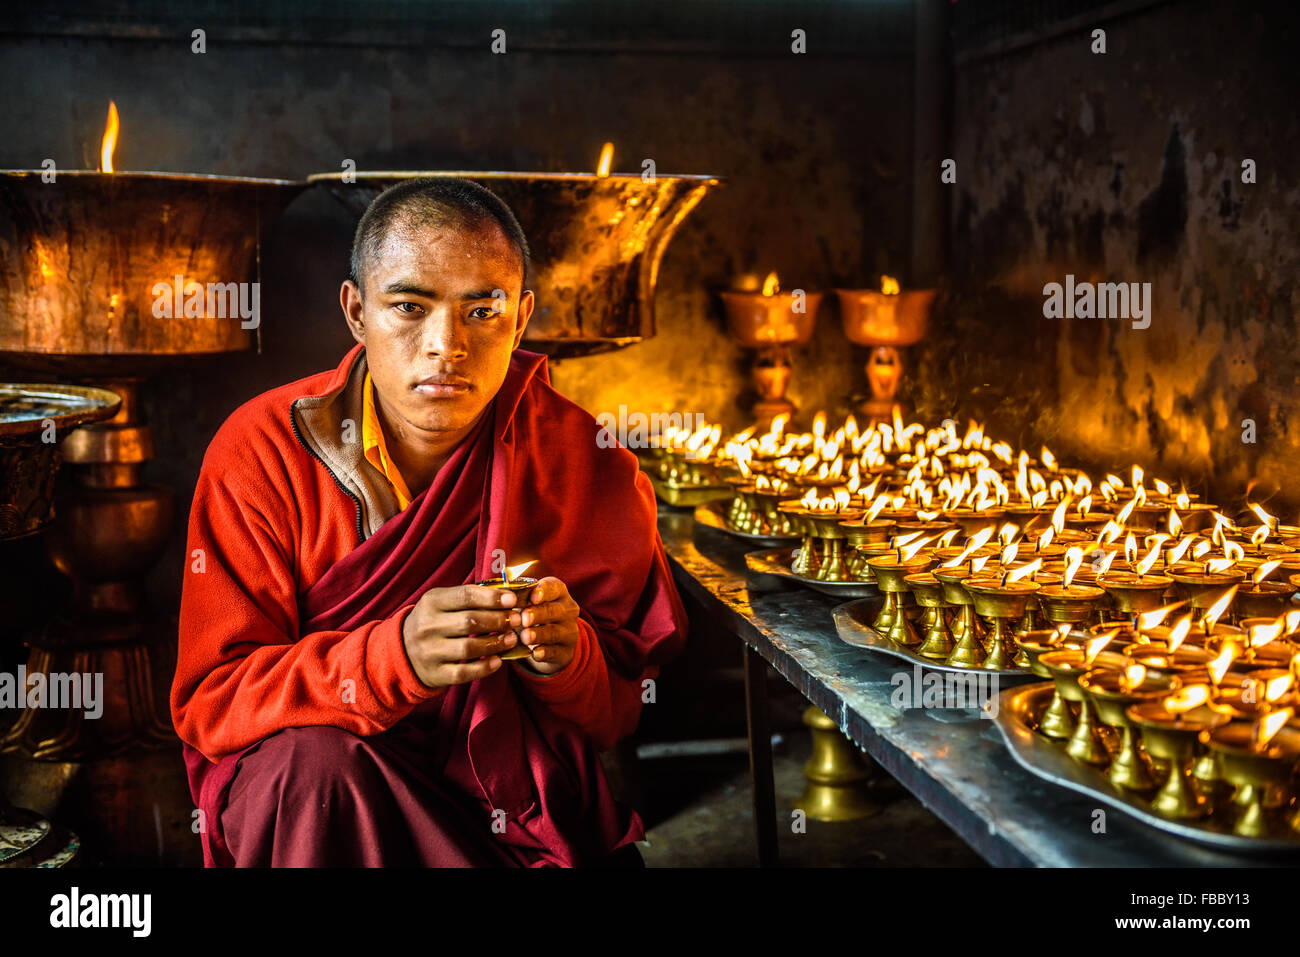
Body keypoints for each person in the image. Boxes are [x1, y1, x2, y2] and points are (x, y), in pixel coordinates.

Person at [170, 176, 688, 867]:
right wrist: (393, 657)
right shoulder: (262, 450)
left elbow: (620, 710)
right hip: (330, 800)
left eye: (482, 311)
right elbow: (213, 700)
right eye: (409, 306)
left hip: (506, 806)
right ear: (356, 310)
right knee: (313, 769)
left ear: (521, 316)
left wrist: (566, 658)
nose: (446, 344)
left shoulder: (583, 461)